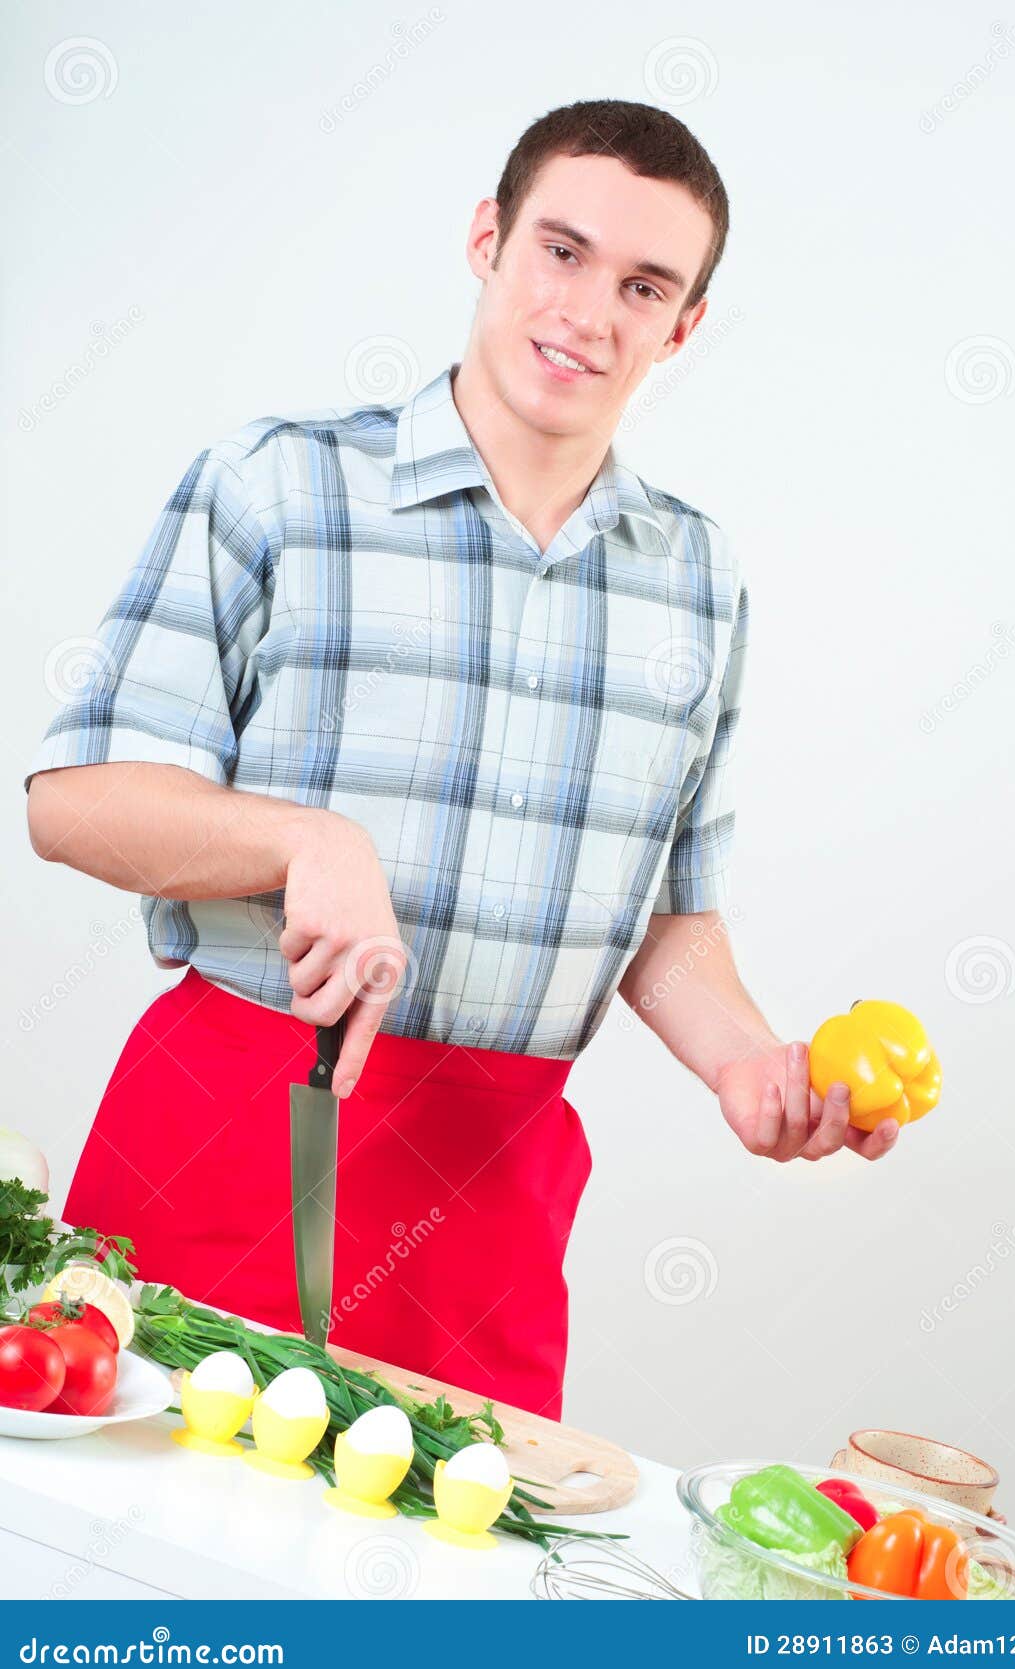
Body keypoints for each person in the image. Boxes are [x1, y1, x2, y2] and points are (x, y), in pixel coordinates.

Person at [23, 99, 899, 1422]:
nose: (590, 313)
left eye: (644, 284)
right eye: (561, 250)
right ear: (487, 239)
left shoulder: (698, 583)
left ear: (686, 324)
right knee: (146, 1588)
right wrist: (303, 841)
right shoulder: (279, 486)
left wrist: (752, 1067)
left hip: (483, 1202)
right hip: (230, 1140)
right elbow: (73, 799)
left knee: (435, 1607)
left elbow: (668, 921)